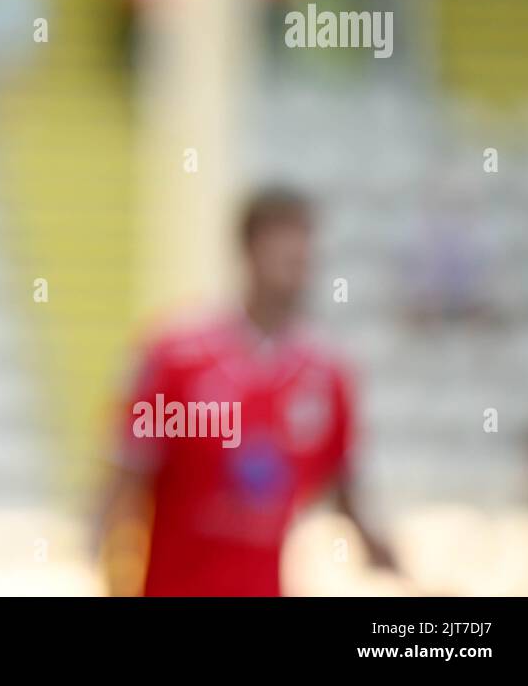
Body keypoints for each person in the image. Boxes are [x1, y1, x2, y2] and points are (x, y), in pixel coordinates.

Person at [95, 186, 393, 596]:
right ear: (250, 249)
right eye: (285, 248)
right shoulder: (174, 358)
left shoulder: (328, 376)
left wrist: (407, 575)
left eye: (305, 249)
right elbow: (122, 486)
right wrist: (112, 581)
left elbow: (348, 494)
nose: (299, 262)